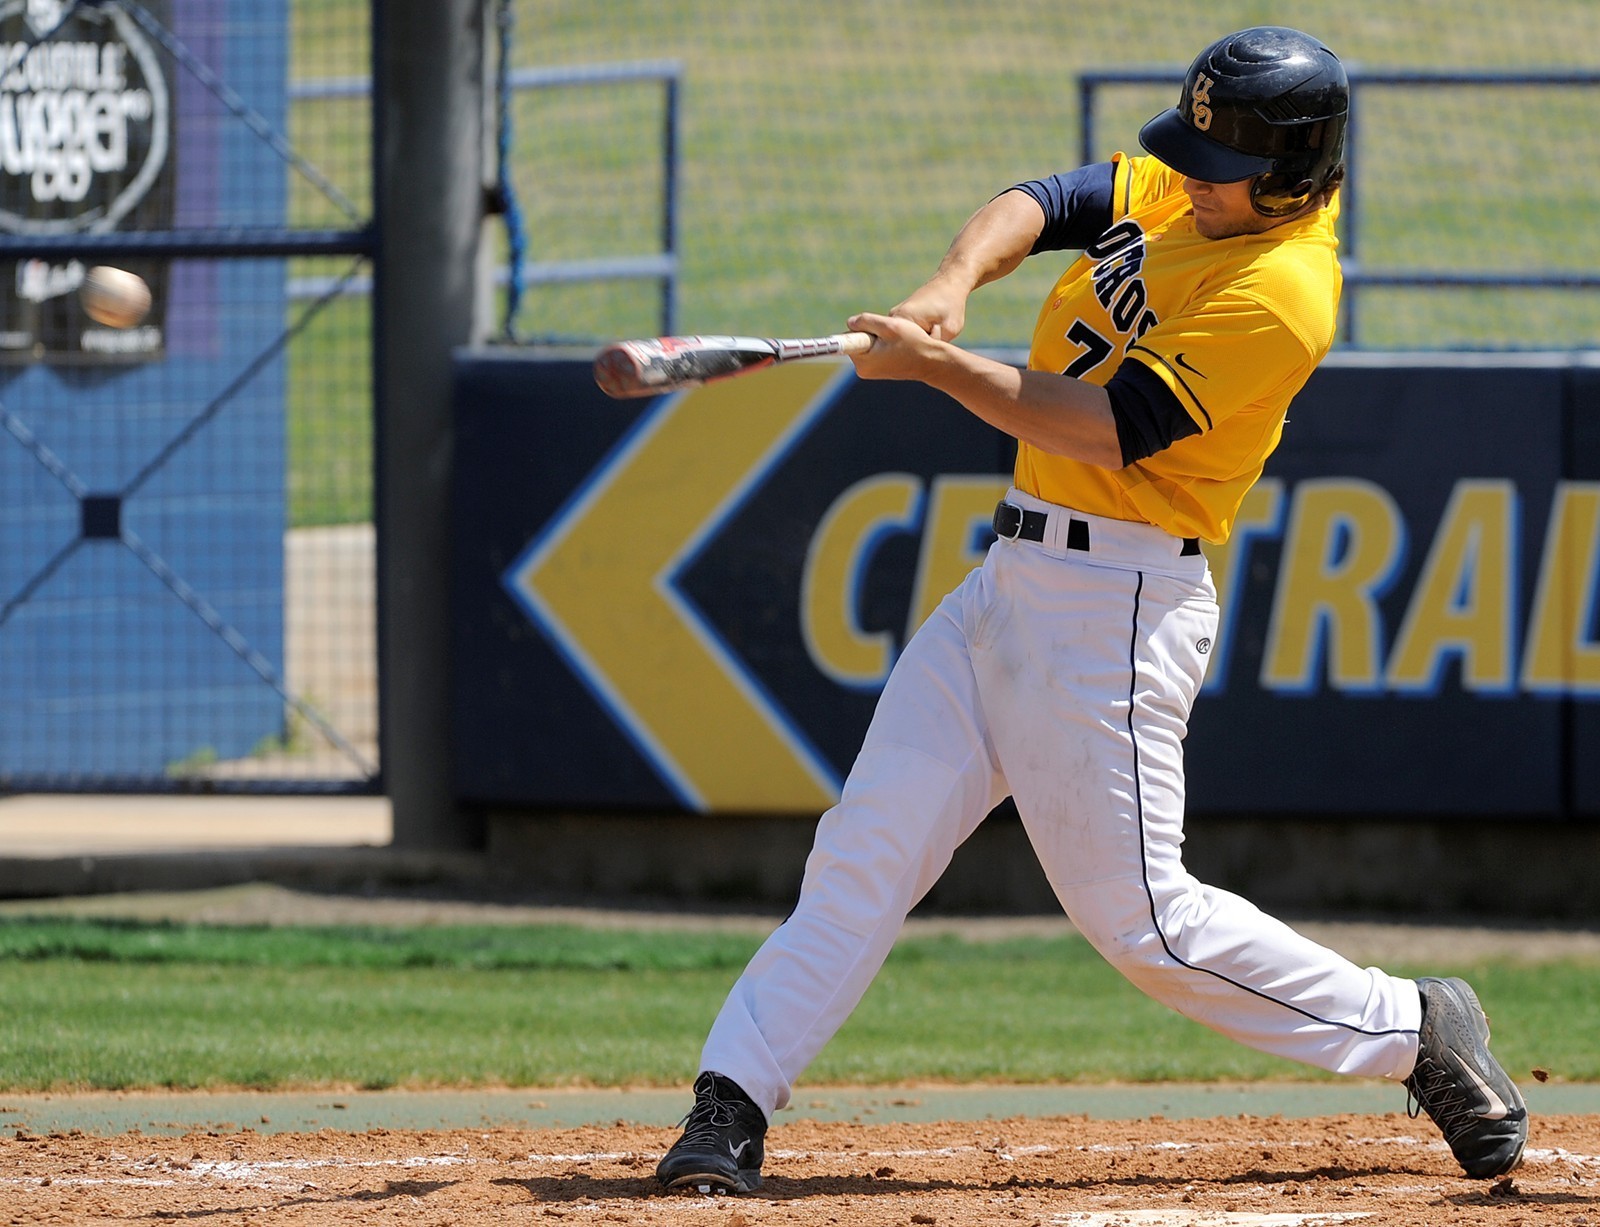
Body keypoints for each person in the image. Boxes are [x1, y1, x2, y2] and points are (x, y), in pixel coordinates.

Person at [655, 26, 1527, 1194]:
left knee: (1146, 926)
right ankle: (731, 1104)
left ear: (1293, 171)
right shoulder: (1202, 188)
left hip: (1117, 606)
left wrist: (937, 371)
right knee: (865, 847)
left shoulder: (1281, 290)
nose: (1193, 176)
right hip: (1008, 582)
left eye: (1222, 165)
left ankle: (1412, 1027)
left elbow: (1105, 428)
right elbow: (1049, 197)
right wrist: (949, 285)